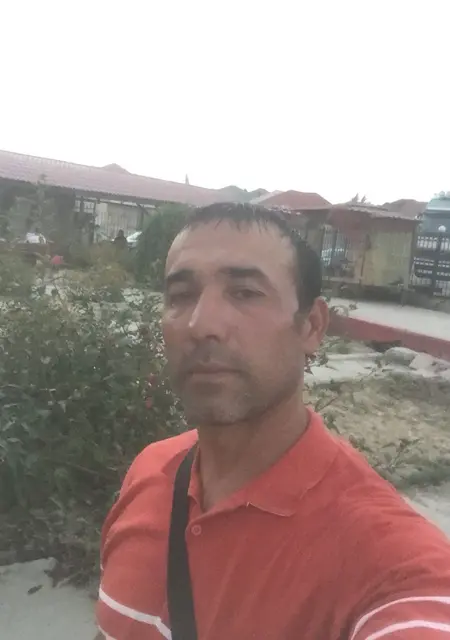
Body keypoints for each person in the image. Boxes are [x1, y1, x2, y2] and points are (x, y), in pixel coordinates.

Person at [96, 203, 450, 640]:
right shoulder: (150, 471)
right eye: (181, 295)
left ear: (312, 326)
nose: (200, 324)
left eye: (245, 293)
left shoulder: (385, 560)